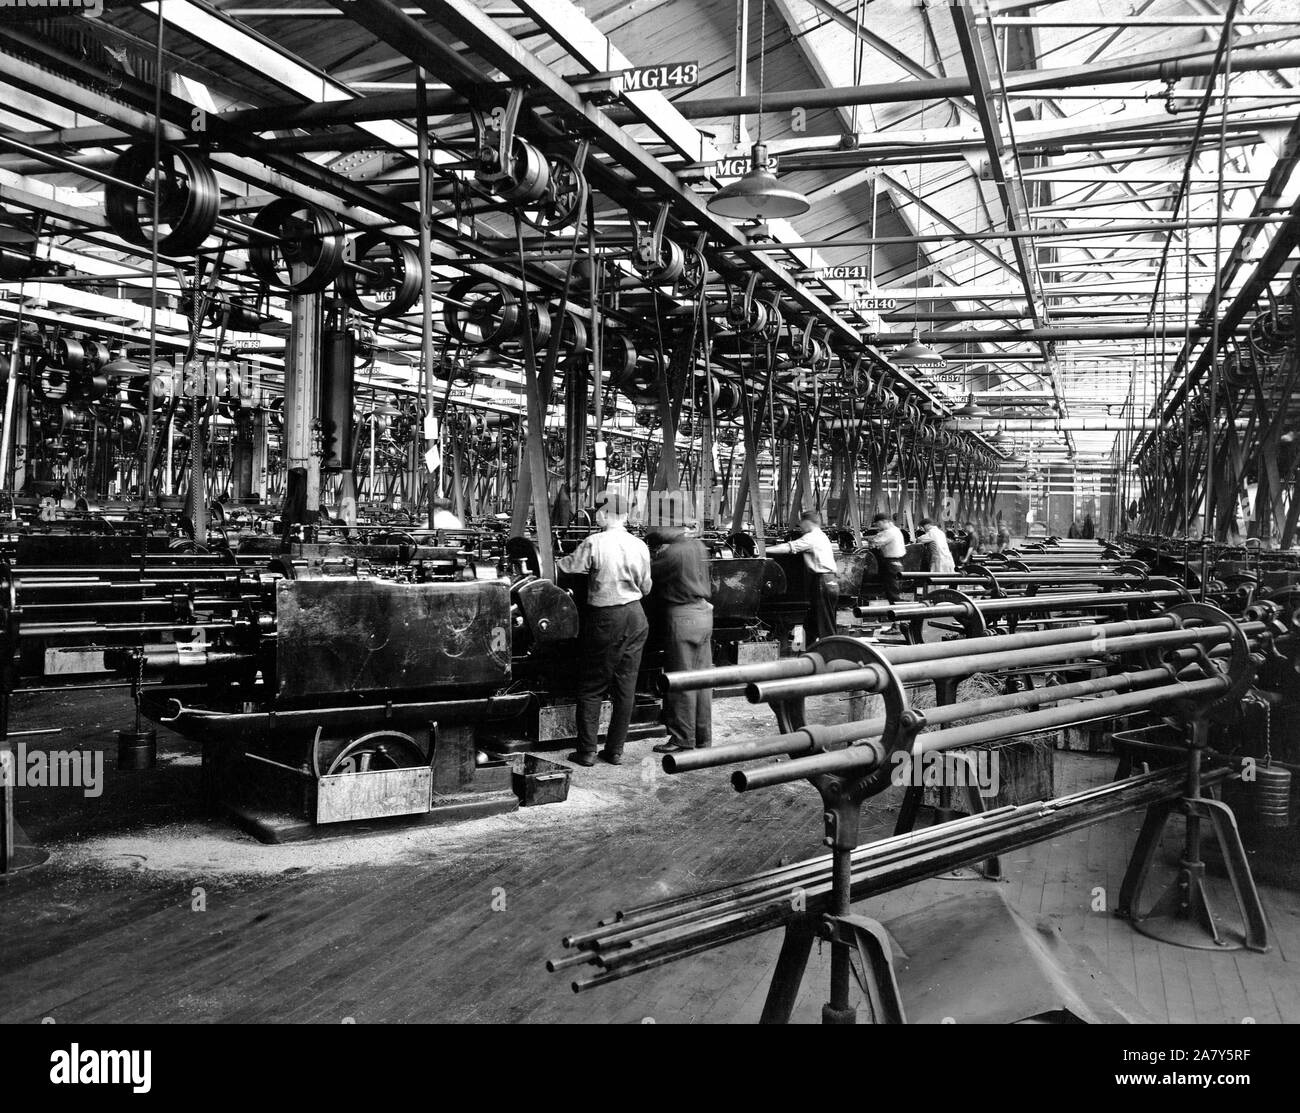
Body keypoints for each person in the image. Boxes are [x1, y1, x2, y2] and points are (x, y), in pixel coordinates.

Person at [556, 491, 652, 767]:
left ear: (605, 514)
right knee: (625, 687)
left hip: (606, 618)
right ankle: (615, 751)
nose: (595, 515)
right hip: (636, 616)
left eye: (597, 512)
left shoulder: (594, 542)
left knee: (592, 686)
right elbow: (646, 587)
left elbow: (565, 568)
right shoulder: (639, 545)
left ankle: (587, 751)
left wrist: (554, 558)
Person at [649, 524, 714, 756]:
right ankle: (703, 737)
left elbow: (648, 575)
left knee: (679, 680)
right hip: (703, 613)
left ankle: (682, 738)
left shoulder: (673, 553)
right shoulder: (698, 546)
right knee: (702, 680)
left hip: (683, 616)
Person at [766, 509, 840, 643]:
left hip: (822, 582)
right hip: (830, 582)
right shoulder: (822, 536)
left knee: (825, 625)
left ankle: (832, 651)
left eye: (801, 523)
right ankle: (806, 650)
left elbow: (788, 547)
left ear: (807, 522)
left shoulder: (812, 537)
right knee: (811, 624)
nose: (800, 527)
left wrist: (762, 550)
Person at [868, 511, 907, 604]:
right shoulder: (896, 530)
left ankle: (896, 607)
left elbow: (876, 542)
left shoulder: (889, 532)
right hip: (897, 561)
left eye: (878, 524)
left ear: (884, 521)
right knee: (892, 586)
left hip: (891, 562)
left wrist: (870, 540)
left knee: (892, 587)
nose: (878, 527)